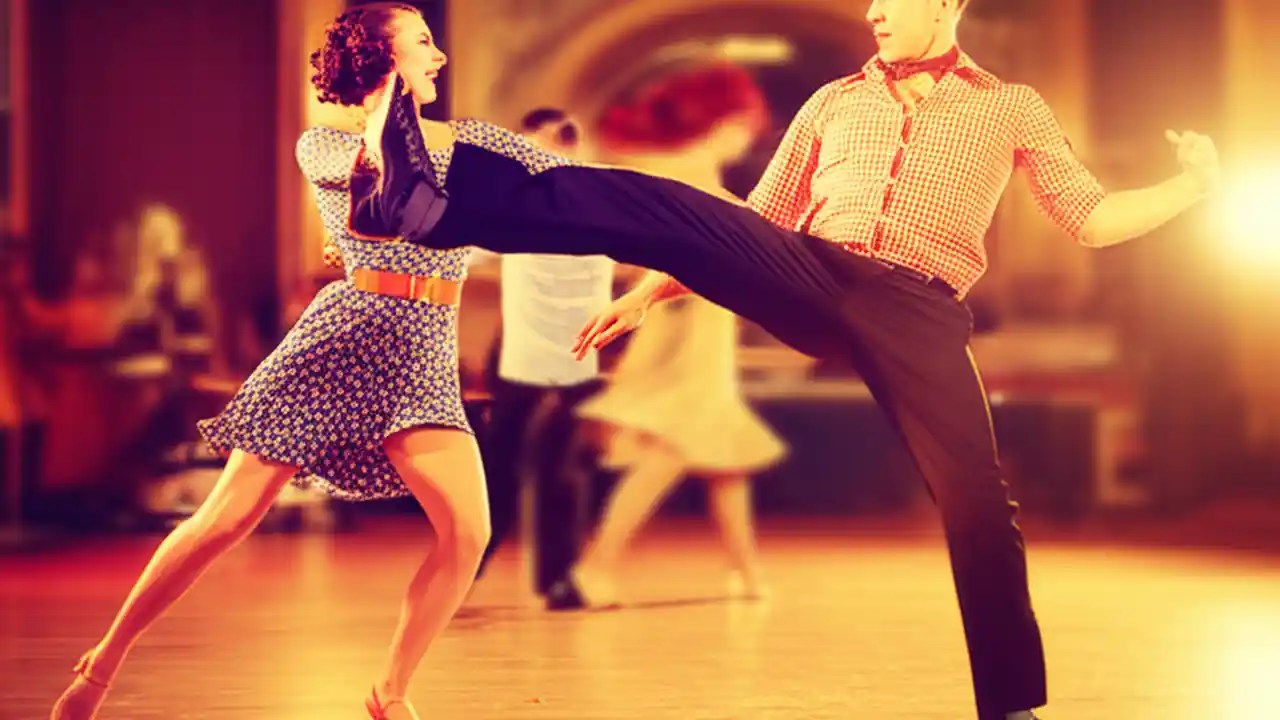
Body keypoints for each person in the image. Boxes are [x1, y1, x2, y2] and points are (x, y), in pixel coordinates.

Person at [350, 1, 1220, 716]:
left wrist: (1191, 189)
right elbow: (750, 223)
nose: (877, 14)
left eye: (894, 1)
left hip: (917, 307)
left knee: (979, 503)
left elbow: (1092, 219)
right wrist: (652, 290)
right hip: (812, 272)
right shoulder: (834, 102)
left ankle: (1013, 705)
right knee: (667, 202)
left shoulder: (1011, 106)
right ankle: (438, 205)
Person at [52, 5, 478, 719]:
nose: (439, 58)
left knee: (468, 533)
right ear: (380, 54)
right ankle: (103, 661)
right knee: (225, 520)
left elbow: (555, 197)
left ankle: (389, 693)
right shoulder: (324, 145)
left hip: (425, 347)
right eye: (424, 43)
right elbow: (391, 187)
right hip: (342, 340)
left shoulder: (464, 146)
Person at [548, 64, 785, 610]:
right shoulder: (693, 169)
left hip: (691, 321)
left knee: (722, 449)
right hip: (688, 324)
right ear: (723, 122)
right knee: (673, 446)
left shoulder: (668, 167)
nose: (747, 137)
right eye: (744, 125)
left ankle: (747, 573)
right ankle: (595, 569)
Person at [475, 107, 615, 598]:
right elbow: (461, 246)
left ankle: (558, 579)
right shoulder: (508, 202)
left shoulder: (601, 198)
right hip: (519, 348)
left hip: (580, 349)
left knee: (564, 466)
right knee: (498, 463)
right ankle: (464, 570)